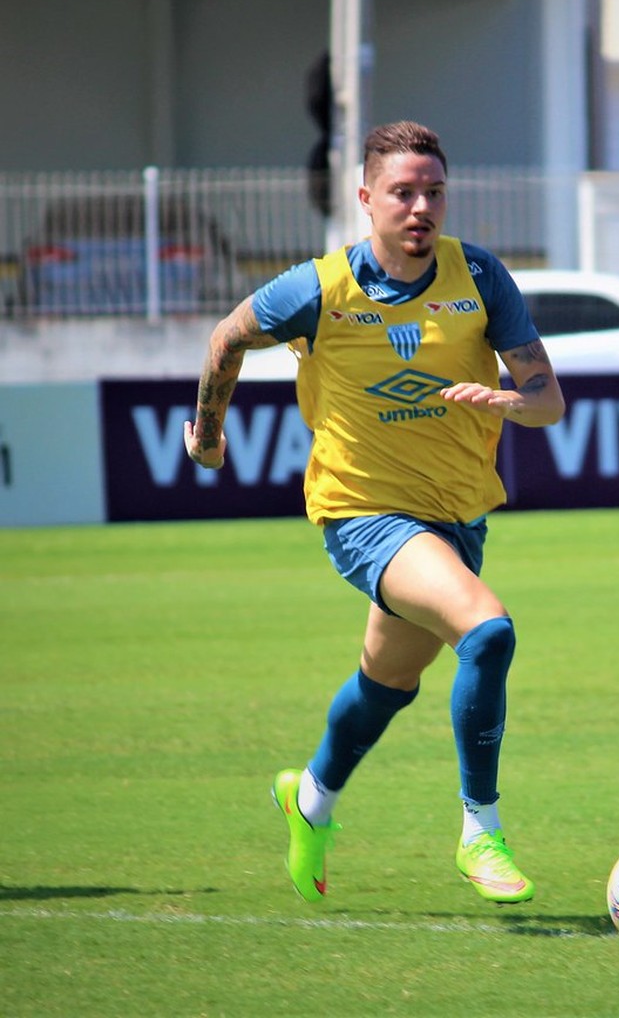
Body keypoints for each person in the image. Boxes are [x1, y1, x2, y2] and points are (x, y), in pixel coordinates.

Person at [184, 120, 565, 905]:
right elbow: (227, 339)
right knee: (488, 633)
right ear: (366, 199)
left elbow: (548, 400)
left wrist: (510, 401)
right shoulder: (320, 288)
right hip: (362, 516)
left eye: (433, 192)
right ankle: (480, 829)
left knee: (388, 682)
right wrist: (209, 439)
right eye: (403, 192)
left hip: (456, 518)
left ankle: (311, 800)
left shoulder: (480, 275)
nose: (421, 207)